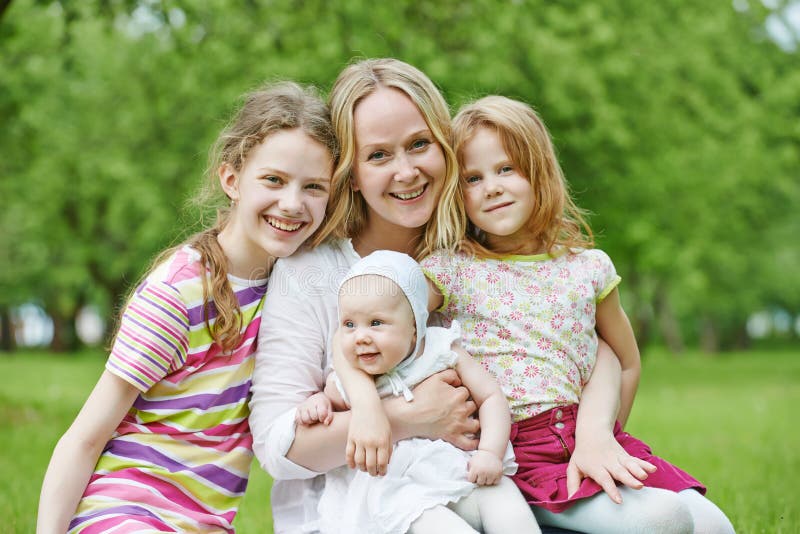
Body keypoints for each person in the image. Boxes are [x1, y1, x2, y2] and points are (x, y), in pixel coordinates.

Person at [249, 58, 639, 534]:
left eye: (419, 144)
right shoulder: (312, 273)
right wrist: (407, 417)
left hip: (494, 489)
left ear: (445, 147)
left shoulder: (475, 255)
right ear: (350, 174)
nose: (406, 171)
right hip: (360, 513)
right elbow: (277, 447)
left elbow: (589, 342)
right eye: (378, 156)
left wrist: (595, 435)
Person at [420, 95, 736, 533]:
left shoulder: (587, 268)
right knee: (664, 520)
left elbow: (625, 360)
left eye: (507, 169)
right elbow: (393, 324)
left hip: (587, 434)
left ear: (540, 172)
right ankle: (545, 511)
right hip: (517, 452)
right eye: (473, 178)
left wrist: (599, 436)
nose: (491, 187)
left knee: (715, 526)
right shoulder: (450, 271)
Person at [36, 82, 337, 534]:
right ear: (231, 180)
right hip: (125, 513)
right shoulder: (178, 293)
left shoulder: (295, 287)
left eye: (313, 186)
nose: (292, 203)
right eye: (273, 180)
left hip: (204, 522)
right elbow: (84, 438)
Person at [297, 250, 540, 534]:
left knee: (508, 506)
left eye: (376, 323)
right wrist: (317, 403)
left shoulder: (442, 350)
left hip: (463, 471)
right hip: (401, 491)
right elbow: (331, 405)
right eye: (349, 325)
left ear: (414, 326)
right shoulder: (349, 379)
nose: (361, 336)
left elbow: (490, 396)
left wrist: (490, 452)